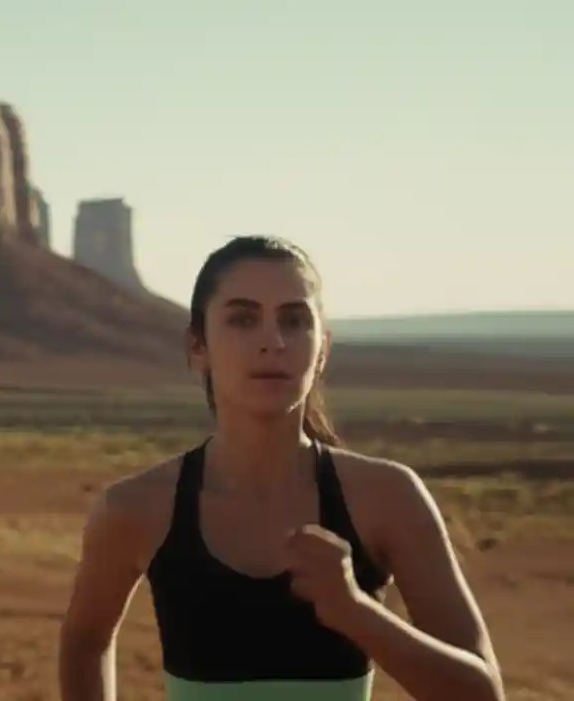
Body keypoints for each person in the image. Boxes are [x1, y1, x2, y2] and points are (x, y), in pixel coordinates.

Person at [58, 236, 505, 701]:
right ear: (198, 346)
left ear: (323, 348)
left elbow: (483, 693)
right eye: (243, 319)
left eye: (294, 320)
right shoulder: (136, 507)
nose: (272, 342)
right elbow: (85, 642)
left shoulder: (386, 497)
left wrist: (356, 612)